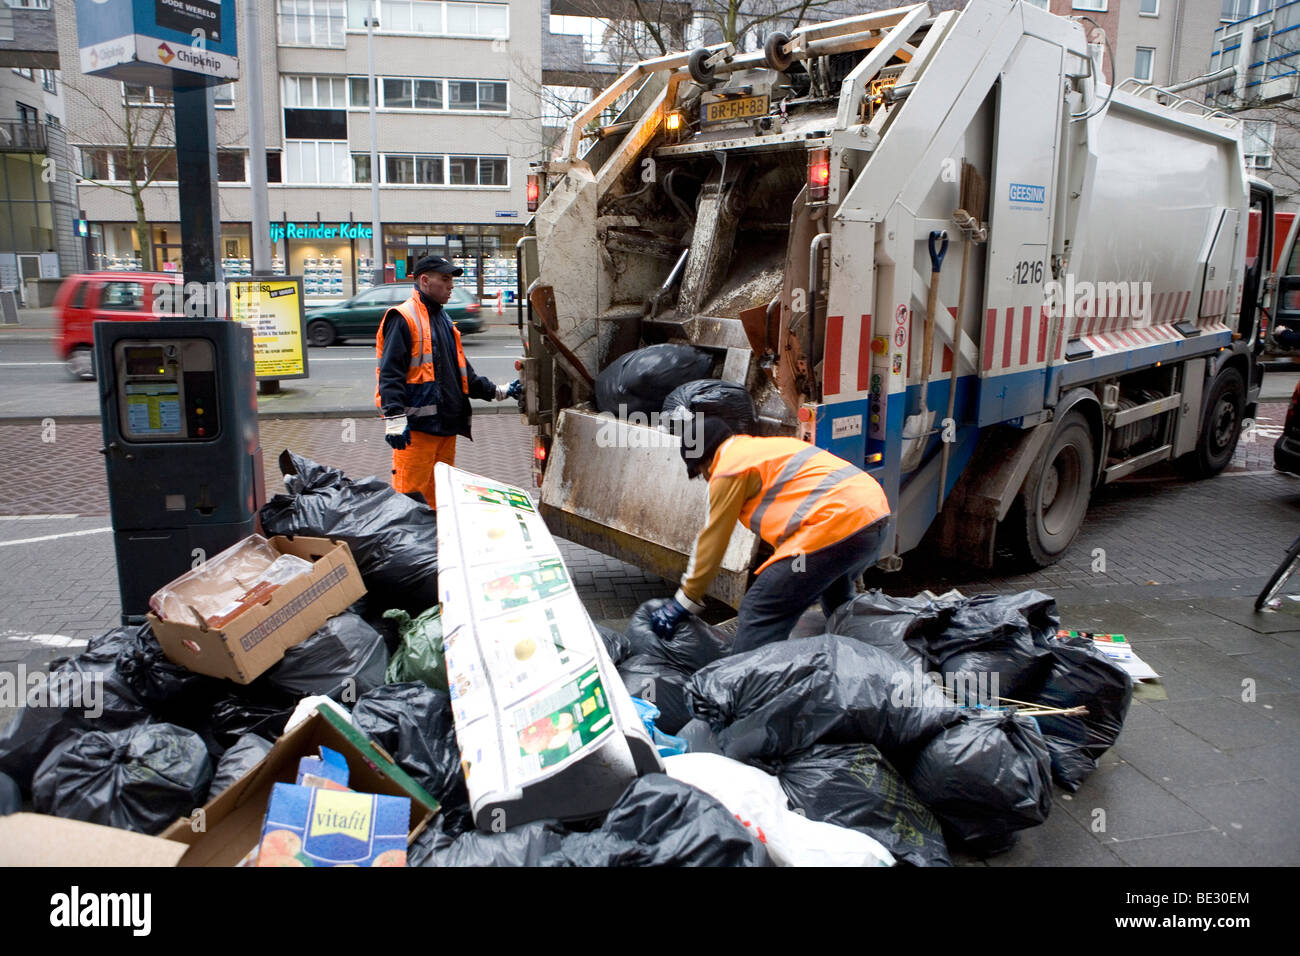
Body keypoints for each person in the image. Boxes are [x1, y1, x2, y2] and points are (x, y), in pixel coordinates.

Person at [650, 415, 891, 654]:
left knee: (760, 609)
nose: (705, 478)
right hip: (873, 518)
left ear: (706, 460)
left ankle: (745, 677)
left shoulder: (728, 468)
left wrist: (684, 600)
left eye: (700, 472)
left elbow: (712, 541)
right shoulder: (762, 449)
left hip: (834, 528)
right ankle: (868, 662)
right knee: (835, 596)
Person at [376, 255, 520, 508]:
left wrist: (499, 391)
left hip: (445, 427)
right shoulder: (403, 317)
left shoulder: (442, 319)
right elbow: (390, 374)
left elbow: (461, 373)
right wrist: (394, 418)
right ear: (424, 280)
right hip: (418, 431)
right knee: (410, 504)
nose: (451, 285)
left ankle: (435, 534)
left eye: (451, 279)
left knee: (440, 501)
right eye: (444, 279)